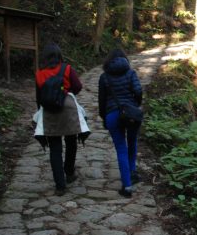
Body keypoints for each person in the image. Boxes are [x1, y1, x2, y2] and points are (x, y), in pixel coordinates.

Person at [33, 42, 89, 196]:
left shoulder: (39, 74)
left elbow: (39, 97)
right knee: (71, 142)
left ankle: (60, 186)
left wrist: (40, 113)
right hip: (68, 108)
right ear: (59, 55)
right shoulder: (67, 69)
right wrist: (66, 90)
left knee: (55, 148)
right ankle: (69, 172)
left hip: (49, 112)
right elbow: (77, 87)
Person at [98, 49, 143, 198]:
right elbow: (138, 91)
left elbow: (102, 102)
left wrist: (104, 118)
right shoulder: (131, 73)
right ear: (125, 59)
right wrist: (135, 104)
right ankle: (132, 172)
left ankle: (127, 186)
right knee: (132, 141)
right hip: (131, 114)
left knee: (121, 148)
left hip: (112, 114)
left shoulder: (104, 77)